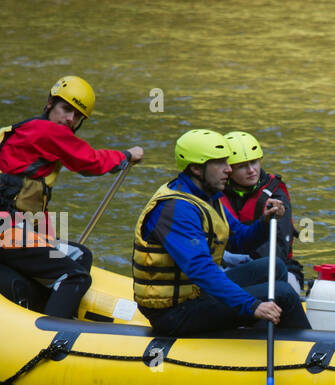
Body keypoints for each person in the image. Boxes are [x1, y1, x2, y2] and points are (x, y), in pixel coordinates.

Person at [0, 76, 143, 317]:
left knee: (80, 255)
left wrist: (44, 238)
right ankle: (52, 333)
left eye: (78, 116)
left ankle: (49, 313)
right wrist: (126, 156)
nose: (70, 119)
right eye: (66, 109)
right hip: (1, 233)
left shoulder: (24, 131)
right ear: (50, 103)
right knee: (75, 275)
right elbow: (90, 162)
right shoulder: (46, 132)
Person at [132, 129, 310, 337]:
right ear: (197, 169)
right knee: (283, 293)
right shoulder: (177, 208)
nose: (228, 169)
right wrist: (251, 305)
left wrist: (265, 221)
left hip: (196, 294)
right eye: (221, 163)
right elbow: (201, 269)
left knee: (275, 266)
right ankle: (312, 353)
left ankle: (258, 337)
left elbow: (239, 239)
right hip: (175, 313)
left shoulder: (207, 197)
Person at [219, 131, 303, 288]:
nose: (251, 170)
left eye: (254, 162)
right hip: (227, 266)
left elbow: (280, 247)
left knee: (288, 286)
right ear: (228, 169)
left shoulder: (274, 192)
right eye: (242, 166)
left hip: (275, 266)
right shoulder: (214, 192)